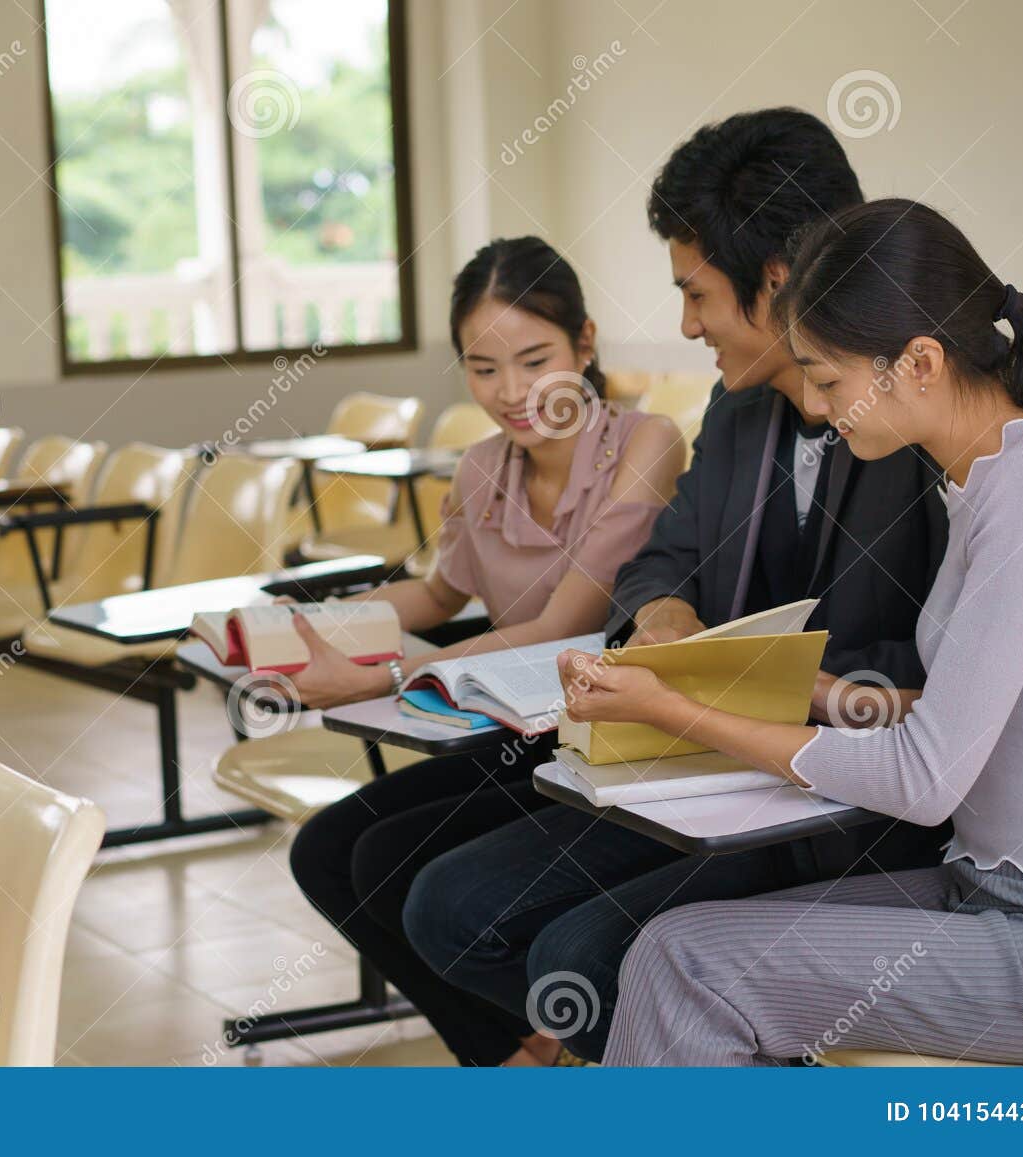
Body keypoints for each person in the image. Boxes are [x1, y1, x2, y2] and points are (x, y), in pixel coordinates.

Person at [581, 197, 1023, 1066]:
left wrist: (677, 711)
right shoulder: (986, 479)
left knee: (688, 964)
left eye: (828, 380)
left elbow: (925, 778)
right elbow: (964, 713)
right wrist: (795, 683)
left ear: (919, 361)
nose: (816, 405)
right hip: (995, 894)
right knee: (673, 949)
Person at [402, 108, 949, 1064]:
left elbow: (954, 671)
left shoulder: (927, 425)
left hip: (857, 808)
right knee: (449, 906)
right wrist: (666, 616)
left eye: (696, 293)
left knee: (574, 955)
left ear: (776, 280)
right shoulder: (739, 407)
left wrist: (758, 685)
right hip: (720, 774)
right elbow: (663, 557)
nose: (686, 323)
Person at [286, 235, 686, 1067]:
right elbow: (437, 595)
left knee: (388, 862)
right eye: (484, 368)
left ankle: (523, 1054)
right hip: (508, 732)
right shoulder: (479, 468)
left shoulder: (645, 447)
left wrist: (388, 669)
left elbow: (563, 627)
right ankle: (512, 1056)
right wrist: (318, 622)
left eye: (536, 359)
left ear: (585, 343)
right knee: (325, 852)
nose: (513, 393)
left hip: (599, 742)